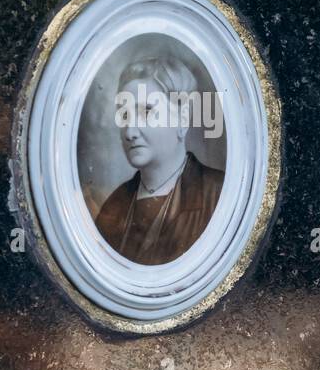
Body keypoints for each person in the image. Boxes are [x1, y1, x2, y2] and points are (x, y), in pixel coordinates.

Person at [94, 56, 224, 265]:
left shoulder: (219, 195)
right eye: (124, 115)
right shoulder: (114, 206)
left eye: (146, 111)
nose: (130, 132)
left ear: (182, 119)